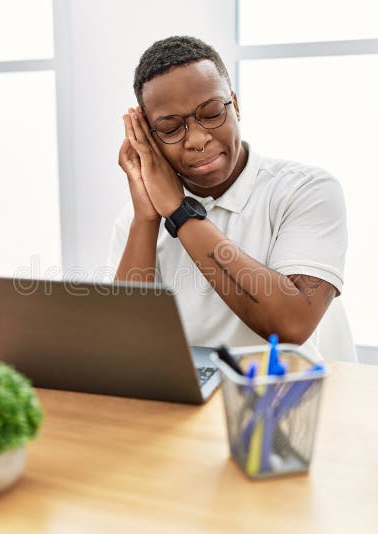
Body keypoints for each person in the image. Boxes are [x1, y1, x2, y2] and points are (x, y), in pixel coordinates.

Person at [107, 36, 347, 358]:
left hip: (274, 394)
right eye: (170, 128)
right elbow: (122, 343)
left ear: (235, 105)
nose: (197, 139)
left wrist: (180, 212)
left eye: (211, 113)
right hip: (185, 398)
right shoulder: (138, 219)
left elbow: (292, 324)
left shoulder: (307, 190)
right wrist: (147, 220)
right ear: (149, 140)